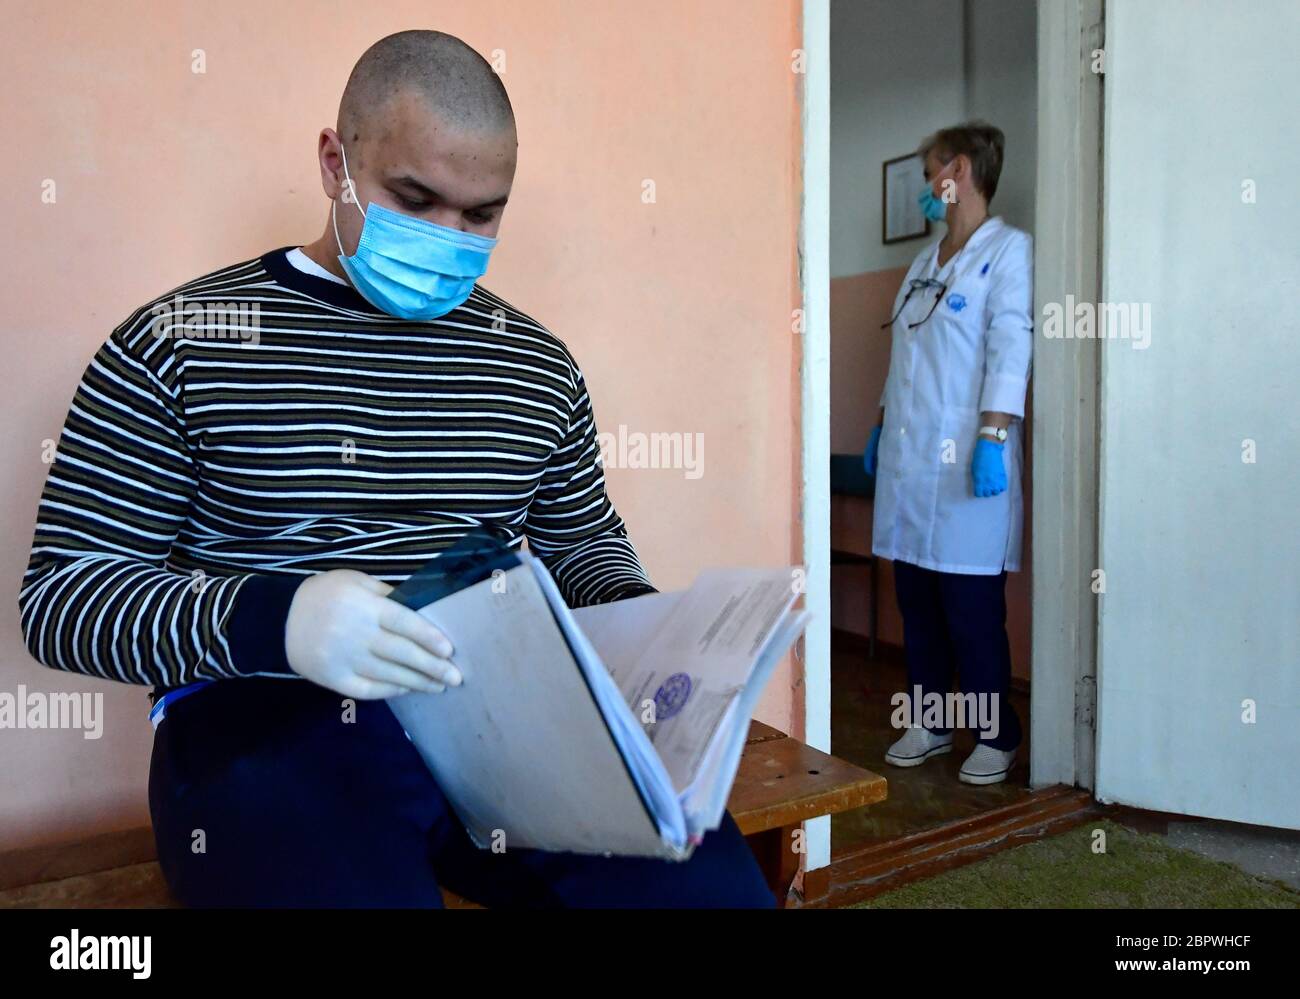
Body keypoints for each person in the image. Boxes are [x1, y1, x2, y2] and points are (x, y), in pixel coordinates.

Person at [18, 30, 773, 908]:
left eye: (481, 214)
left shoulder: (533, 365)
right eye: (414, 199)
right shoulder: (175, 343)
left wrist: (653, 636)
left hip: (501, 720)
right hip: (264, 725)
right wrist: (278, 618)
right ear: (336, 161)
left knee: (706, 888)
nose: (449, 236)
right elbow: (62, 598)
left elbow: (584, 546)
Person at [863, 121, 1033, 786]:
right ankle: (931, 722)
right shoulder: (922, 262)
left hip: (967, 462)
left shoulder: (1010, 252)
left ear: (955, 171)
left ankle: (997, 734)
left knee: (969, 608)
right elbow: (902, 356)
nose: (923, 187)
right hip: (909, 464)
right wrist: (880, 425)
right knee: (917, 599)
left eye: (928, 170)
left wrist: (993, 437)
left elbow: (1010, 348)